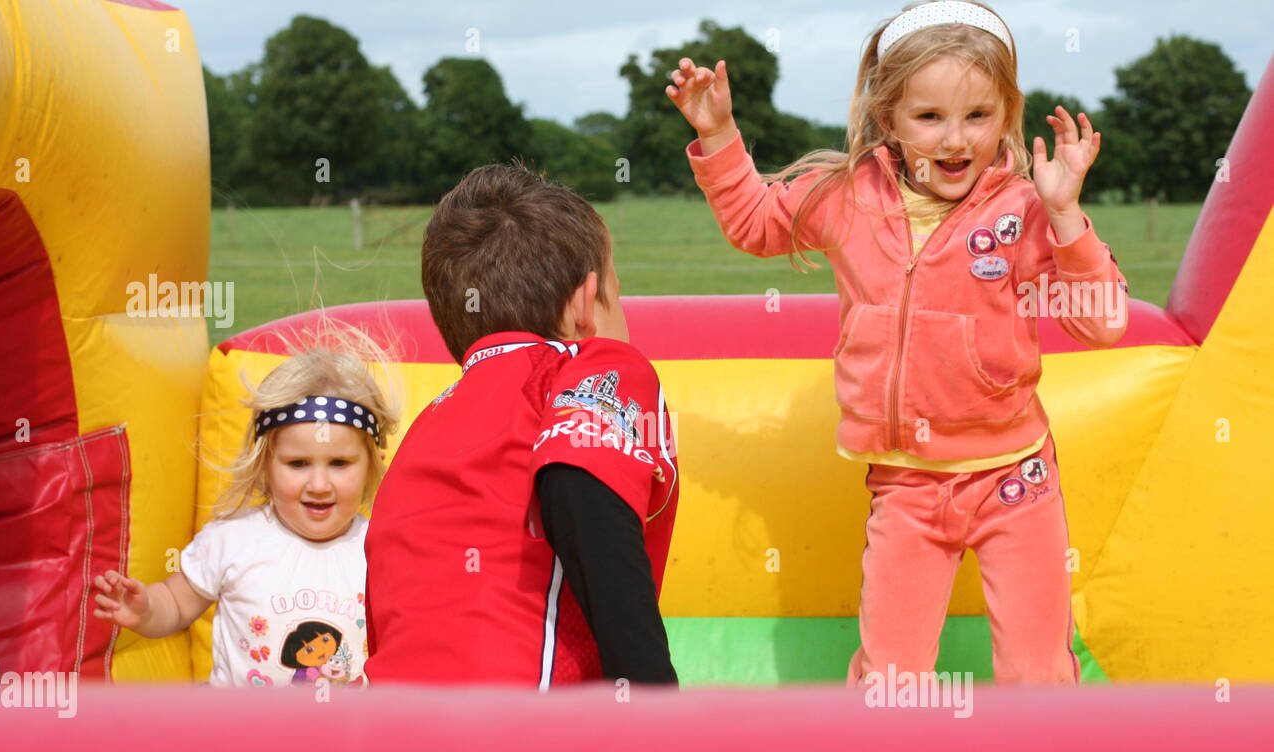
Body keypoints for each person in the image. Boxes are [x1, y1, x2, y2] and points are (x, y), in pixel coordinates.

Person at [666, 0, 1129, 684]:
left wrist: (1064, 214)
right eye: (930, 117)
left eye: (978, 116)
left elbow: (1104, 321)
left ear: (1006, 114)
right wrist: (720, 134)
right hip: (907, 483)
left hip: (1016, 481)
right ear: (888, 116)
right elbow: (757, 223)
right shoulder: (848, 197)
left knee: (1039, 672)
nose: (956, 139)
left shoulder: (1023, 211)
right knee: (891, 674)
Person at [364, 162, 679, 688]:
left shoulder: (429, 425)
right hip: (519, 730)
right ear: (586, 303)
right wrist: (653, 702)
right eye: (618, 296)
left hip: (391, 724)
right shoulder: (591, 366)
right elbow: (581, 493)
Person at [93, 324, 400, 689]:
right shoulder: (233, 541)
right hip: (241, 738)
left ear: (372, 466)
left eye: (339, 464)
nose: (319, 485)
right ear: (265, 465)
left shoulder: (382, 551)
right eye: (298, 464)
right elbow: (175, 603)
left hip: (347, 739)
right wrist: (146, 610)